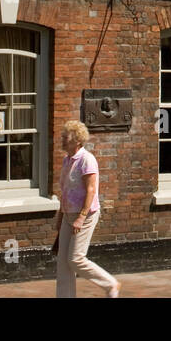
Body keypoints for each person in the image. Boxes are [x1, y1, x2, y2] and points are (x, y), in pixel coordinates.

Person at [54, 120, 120, 298]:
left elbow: (91, 190)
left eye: (65, 137)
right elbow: (66, 190)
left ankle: (110, 284)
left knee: (75, 259)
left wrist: (81, 217)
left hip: (85, 214)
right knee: (63, 262)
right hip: (68, 214)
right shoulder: (67, 160)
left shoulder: (86, 159)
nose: (62, 139)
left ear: (77, 140)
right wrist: (60, 217)